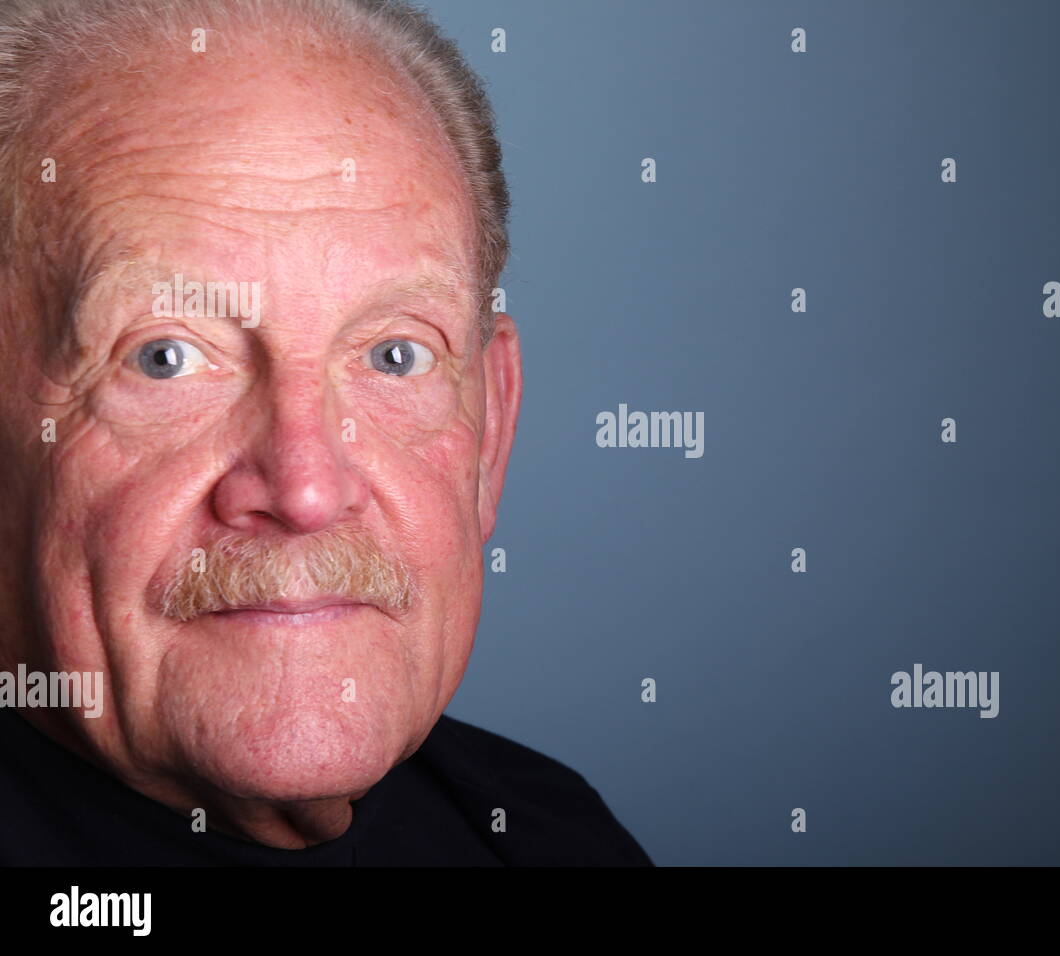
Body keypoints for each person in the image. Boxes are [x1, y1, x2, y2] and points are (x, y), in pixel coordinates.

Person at [0, 0, 651, 866]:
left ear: (490, 435)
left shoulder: (553, 838)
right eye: (163, 357)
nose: (307, 490)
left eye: (394, 354)